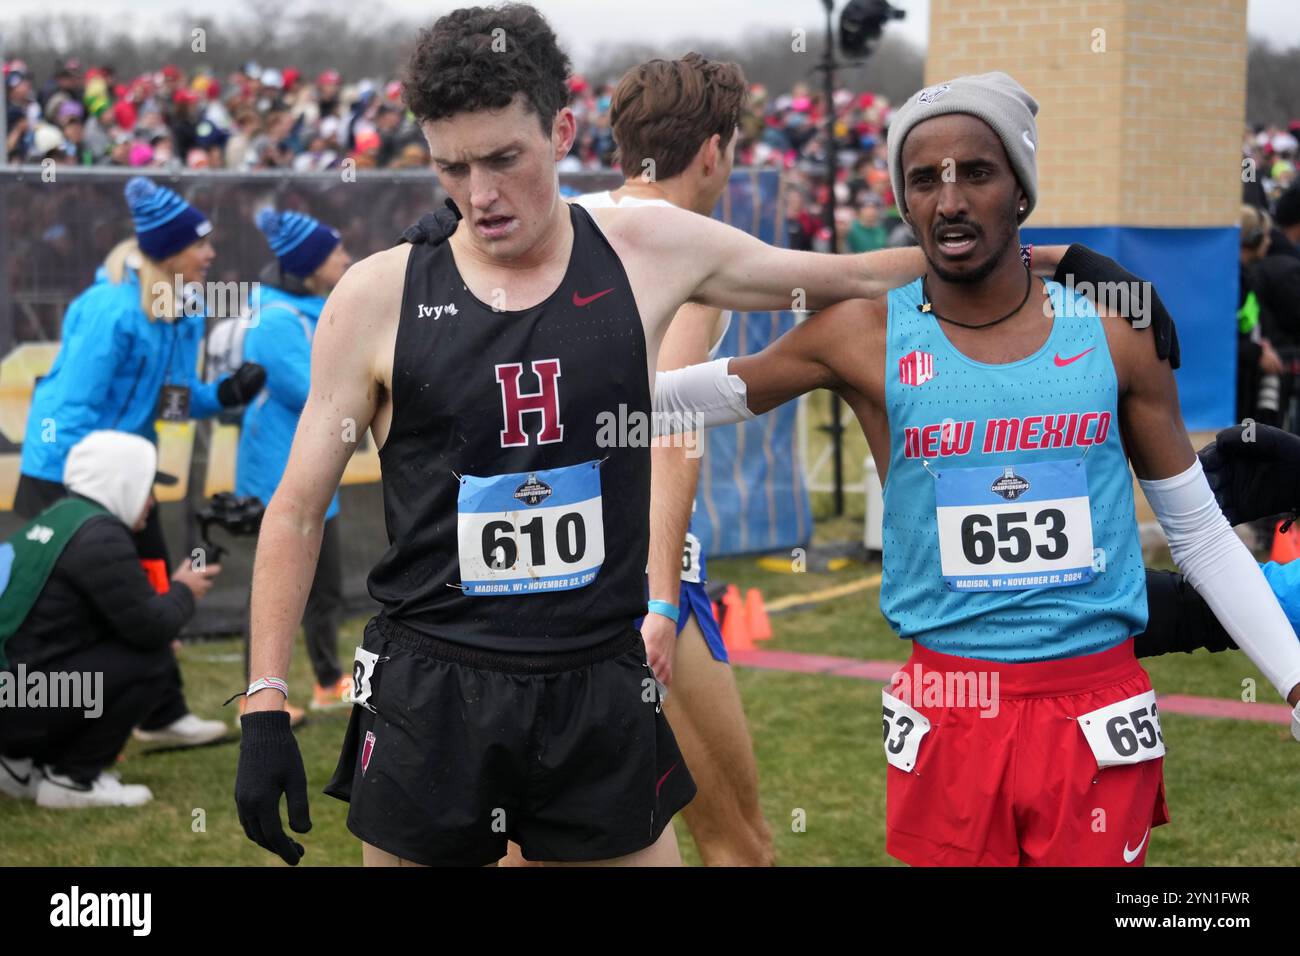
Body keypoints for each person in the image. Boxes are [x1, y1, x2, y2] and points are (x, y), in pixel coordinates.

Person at [234, 5, 1077, 869]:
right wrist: (264, 700)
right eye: (452, 167)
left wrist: (1055, 261)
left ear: (561, 131)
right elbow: (297, 510)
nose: (480, 195)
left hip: (598, 680)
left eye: (503, 160)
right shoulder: (378, 297)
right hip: (432, 689)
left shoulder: (647, 248)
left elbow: (850, 275)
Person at [655, 72, 1300, 866]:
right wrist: (539, 384)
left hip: (1094, 711)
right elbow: (683, 400)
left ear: (1021, 191)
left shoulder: (1112, 328)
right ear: (902, 201)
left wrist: (1294, 680)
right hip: (948, 710)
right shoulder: (858, 333)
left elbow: (1197, 532)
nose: (949, 199)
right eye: (924, 179)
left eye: (977, 173)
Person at [566, 53, 774, 866]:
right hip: (637, 577)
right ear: (715, 151)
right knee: (738, 846)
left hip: (530, 571)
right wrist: (659, 597)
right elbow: (667, 422)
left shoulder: (565, 221)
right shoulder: (687, 251)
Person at [15, 176, 264, 748]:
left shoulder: (186, 307)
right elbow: (74, 407)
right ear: (167, 250)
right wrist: (95, 500)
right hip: (64, 475)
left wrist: (221, 395)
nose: (211, 254)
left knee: (152, 584)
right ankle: (46, 730)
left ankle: (160, 713)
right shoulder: (110, 310)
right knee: (73, 603)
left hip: (126, 477)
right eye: (200, 244)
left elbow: (166, 398)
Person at [0, 431, 221, 808]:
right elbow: (153, 628)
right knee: (152, 659)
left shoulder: (60, 519)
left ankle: (18, 764)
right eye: (146, 487)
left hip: (15, 694)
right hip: (20, 698)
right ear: (122, 481)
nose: (151, 502)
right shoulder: (99, 534)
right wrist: (184, 590)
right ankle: (72, 780)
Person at [236, 208, 355, 719]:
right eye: (335, 252)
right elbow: (311, 391)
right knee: (274, 588)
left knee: (325, 588)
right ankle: (254, 698)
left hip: (314, 470)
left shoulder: (316, 305)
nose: (347, 258)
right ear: (310, 265)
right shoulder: (275, 319)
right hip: (276, 477)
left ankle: (328, 680)